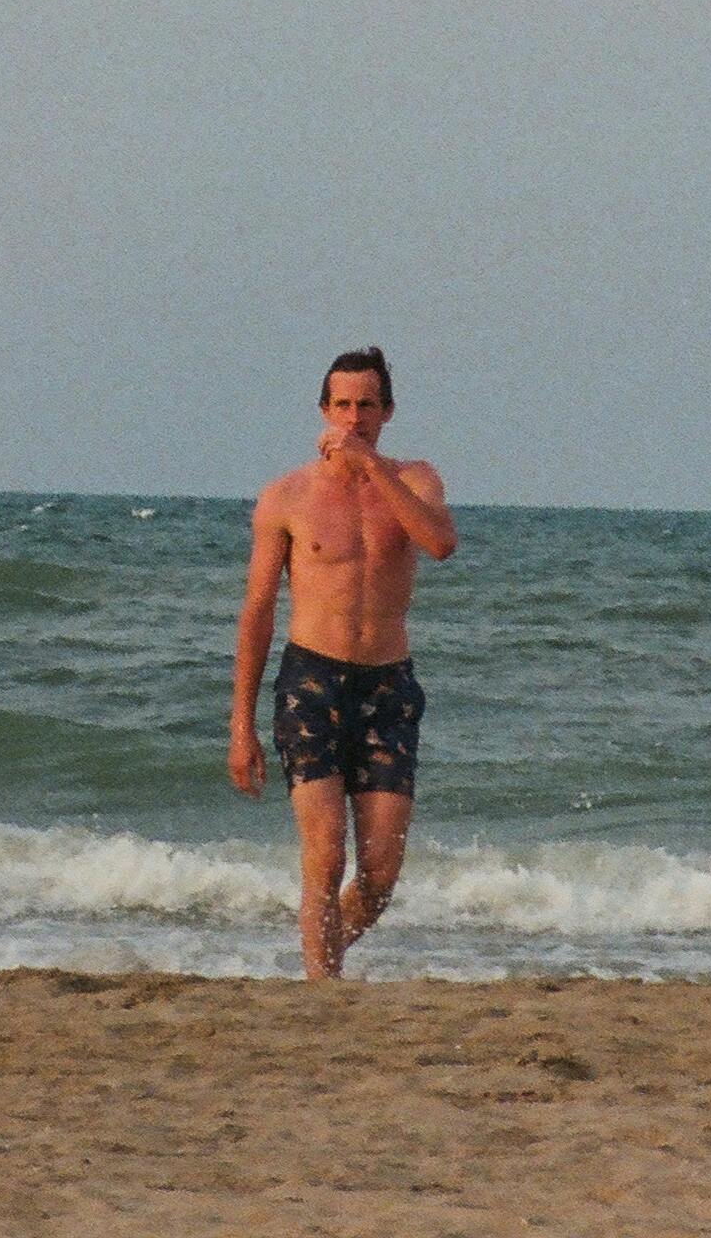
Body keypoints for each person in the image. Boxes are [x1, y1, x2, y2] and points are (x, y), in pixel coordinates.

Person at [228, 346, 457, 978]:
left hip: (388, 686)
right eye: (342, 405)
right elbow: (256, 614)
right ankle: (322, 991)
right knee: (325, 861)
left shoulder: (414, 480)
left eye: (366, 406)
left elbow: (440, 543)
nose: (353, 418)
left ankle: (321, 959)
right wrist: (240, 727)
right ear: (323, 409)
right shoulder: (286, 497)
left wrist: (372, 468)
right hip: (312, 681)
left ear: (386, 411)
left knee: (379, 876)